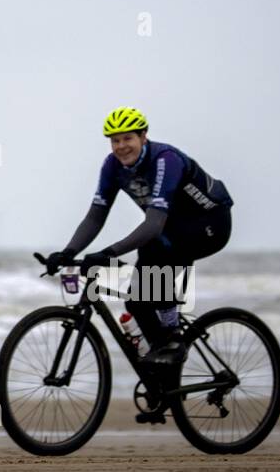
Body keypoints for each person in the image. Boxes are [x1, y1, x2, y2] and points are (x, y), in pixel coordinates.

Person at [44, 107, 233, 365]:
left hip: (210, 225)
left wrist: (108, 253)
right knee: (137, 299)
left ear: (143, 136)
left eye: (127, 138)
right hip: (170, 228)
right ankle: (163, 367)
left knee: (157, 259)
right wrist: (68, 252)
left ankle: (173, 338)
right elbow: (95, 216)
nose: (121, 146)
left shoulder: (166, 160)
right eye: (115, 140)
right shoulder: (112, 166)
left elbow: (153, 225)